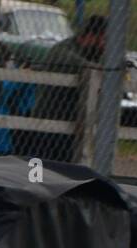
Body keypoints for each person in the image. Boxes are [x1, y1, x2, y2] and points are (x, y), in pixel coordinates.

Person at [31, 14, 107, 162]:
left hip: (72, 133)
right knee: (38, 175)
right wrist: (101, 71)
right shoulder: (62, 50)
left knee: (65, 177)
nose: (105, 46)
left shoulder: (94, 54)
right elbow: (75, 63)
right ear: (91, 36)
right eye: (104, 40)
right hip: (46, 130)